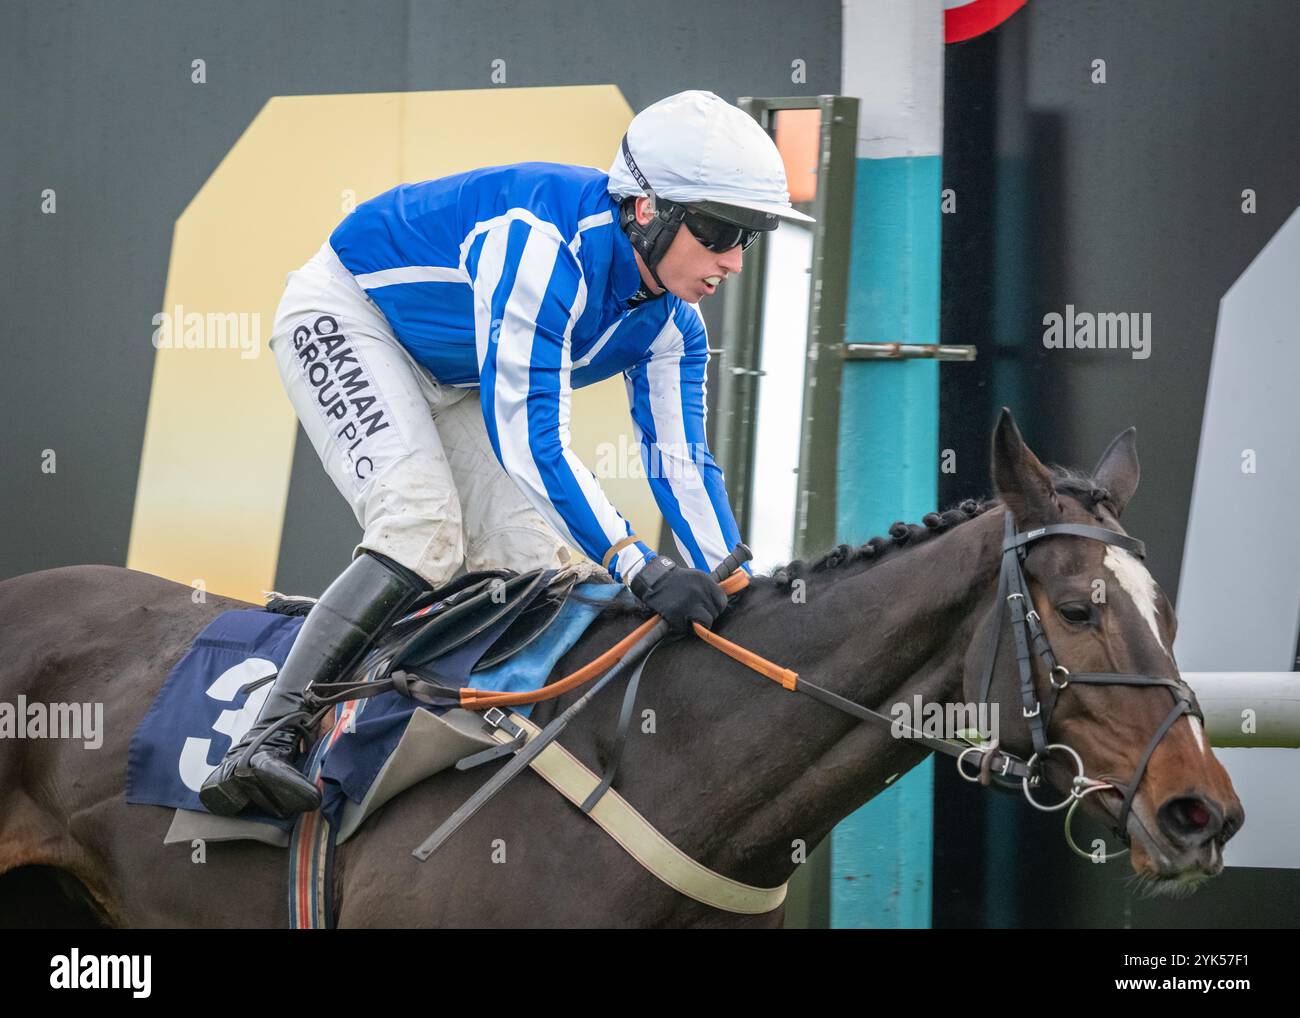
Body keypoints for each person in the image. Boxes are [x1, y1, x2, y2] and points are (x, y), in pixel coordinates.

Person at [199, 89, 815, 820]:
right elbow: (533, 441)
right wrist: (640, 565)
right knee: (420, 529)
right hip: (347, 316)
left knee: (553, 573)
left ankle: (400, 689)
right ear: (646, 209)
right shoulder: (541, 248)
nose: (733, 261)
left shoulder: (674, 325)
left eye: (752, 236)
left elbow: (681, 465)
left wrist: (739, 586)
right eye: (718, 231)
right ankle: (264, 738)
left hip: (451, 373)